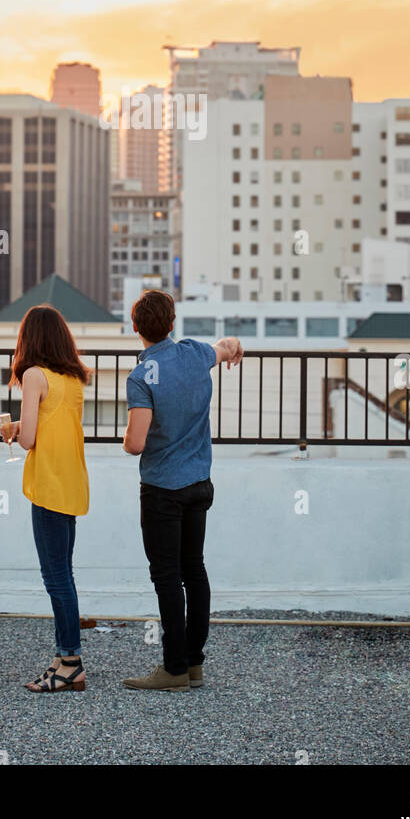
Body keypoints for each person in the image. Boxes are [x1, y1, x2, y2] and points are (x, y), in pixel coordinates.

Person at [121, 289, 242, 692]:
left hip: (162, 489)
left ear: (136, 328)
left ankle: (173, 668)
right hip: (199, 483)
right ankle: (193, 664)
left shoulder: (141, 377)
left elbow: (136, 443)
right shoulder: (195, 353)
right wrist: (233, 346)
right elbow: (223, 349)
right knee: (194, 569)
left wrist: (127, 437)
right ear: (172, 324)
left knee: (167, 576)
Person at [1, 304, 89, 694]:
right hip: (71, 482)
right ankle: (62, 656)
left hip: (49, 485)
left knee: (56, 578)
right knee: (63, 574)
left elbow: (31, 440)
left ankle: (70, 661)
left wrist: (14, 430)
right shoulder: (73, 378)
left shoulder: (34, 375)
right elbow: (52, 425)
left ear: (29, 339)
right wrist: (23, 425)